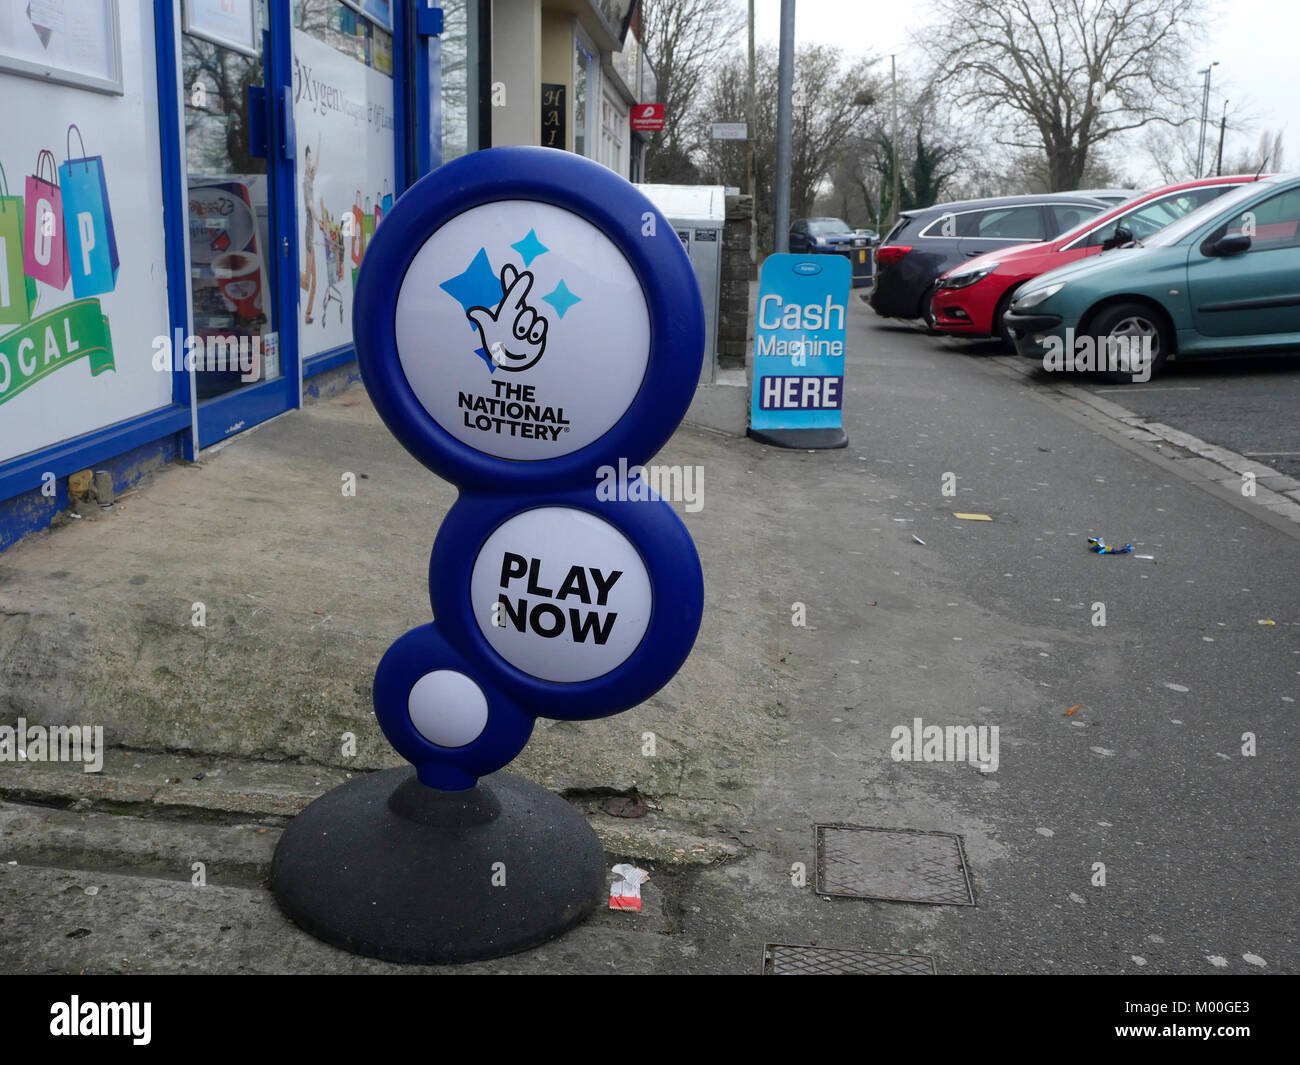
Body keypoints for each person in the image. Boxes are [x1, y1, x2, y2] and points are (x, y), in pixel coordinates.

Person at [299, 134, 321, 323]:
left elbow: (318, 166)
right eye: (308, 159)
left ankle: (307, 314)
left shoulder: (310, 178)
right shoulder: (305, 183)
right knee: (306, 281)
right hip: (309, 232)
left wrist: (320, 141)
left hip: (312, 232)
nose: (311, 162)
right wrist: (320, 221)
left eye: (311, 159)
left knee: (315, 281)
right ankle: (291, 274)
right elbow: (311, 206)